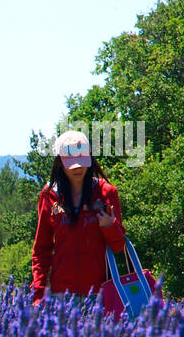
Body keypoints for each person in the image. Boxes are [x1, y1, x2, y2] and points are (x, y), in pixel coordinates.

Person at [31, 131, 126, 305]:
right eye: (71, 163)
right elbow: (41, 251)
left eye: (81, 162)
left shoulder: (106, 193)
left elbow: (119, 246)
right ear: (60, 162)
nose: (77, 168)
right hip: (61, 295)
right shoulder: (49, 197)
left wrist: (109, 227)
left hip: (100, 293)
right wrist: (38, 294)